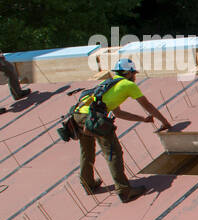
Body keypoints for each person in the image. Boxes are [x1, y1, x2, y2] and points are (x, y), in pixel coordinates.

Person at [72, 58, 172, 203]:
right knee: (113, 153)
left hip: (78, 115)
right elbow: (148, 105)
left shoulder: (108, 84)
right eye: (134, 73)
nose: (135, 76)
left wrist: (142, 119)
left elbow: (118, 113)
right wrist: (165, 122)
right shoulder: (128, 85)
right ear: (129, 73)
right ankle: (125, 191)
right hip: (94, 119)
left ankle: (88, 185)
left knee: (86, 151)